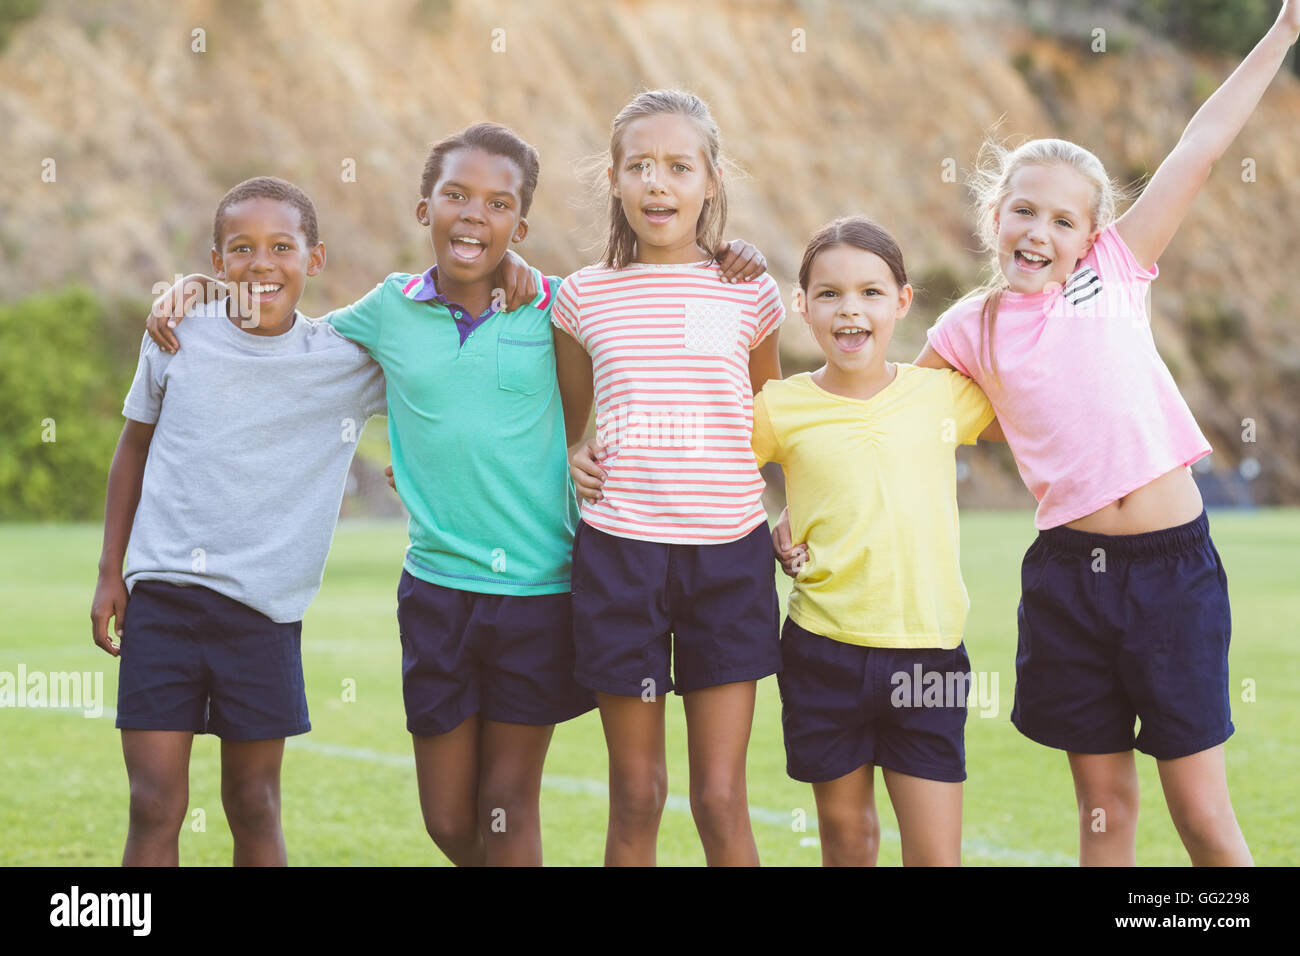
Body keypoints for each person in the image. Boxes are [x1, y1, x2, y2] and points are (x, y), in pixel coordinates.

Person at [92, 176, 386, 866]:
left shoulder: (344, 359)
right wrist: (111, 571)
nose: (262, 264)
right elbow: (132, 447)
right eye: (241, 249)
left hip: (264, 614)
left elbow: (435, 370)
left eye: (282, 246)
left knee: (253, 804)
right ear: (218, 262)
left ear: (315, 260)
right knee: (153, 804)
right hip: (161, 602)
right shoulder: (177, 335)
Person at [559, 89, 784, 866]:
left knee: (720, 800)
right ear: (615, 181)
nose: (659, 184)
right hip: (621, 558)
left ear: (711, 181)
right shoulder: (580, 296)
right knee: (637, 795)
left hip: (730, 557)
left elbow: (769, 417)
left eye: (679, 167)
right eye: (640, 167)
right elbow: (567, 422)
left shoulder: (747, 290)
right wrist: (569, 455)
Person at [754, 216, 996, 866]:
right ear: (801, 306)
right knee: (850, 843)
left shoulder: (944, 396)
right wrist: (770, 524)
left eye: (870, 292)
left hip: (930, 658)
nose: (849, 309)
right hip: (822, 654)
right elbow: (719, 477)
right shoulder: (779, 406)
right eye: (828, 294)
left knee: (936, 856)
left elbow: (1040, 404)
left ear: (902, 301)